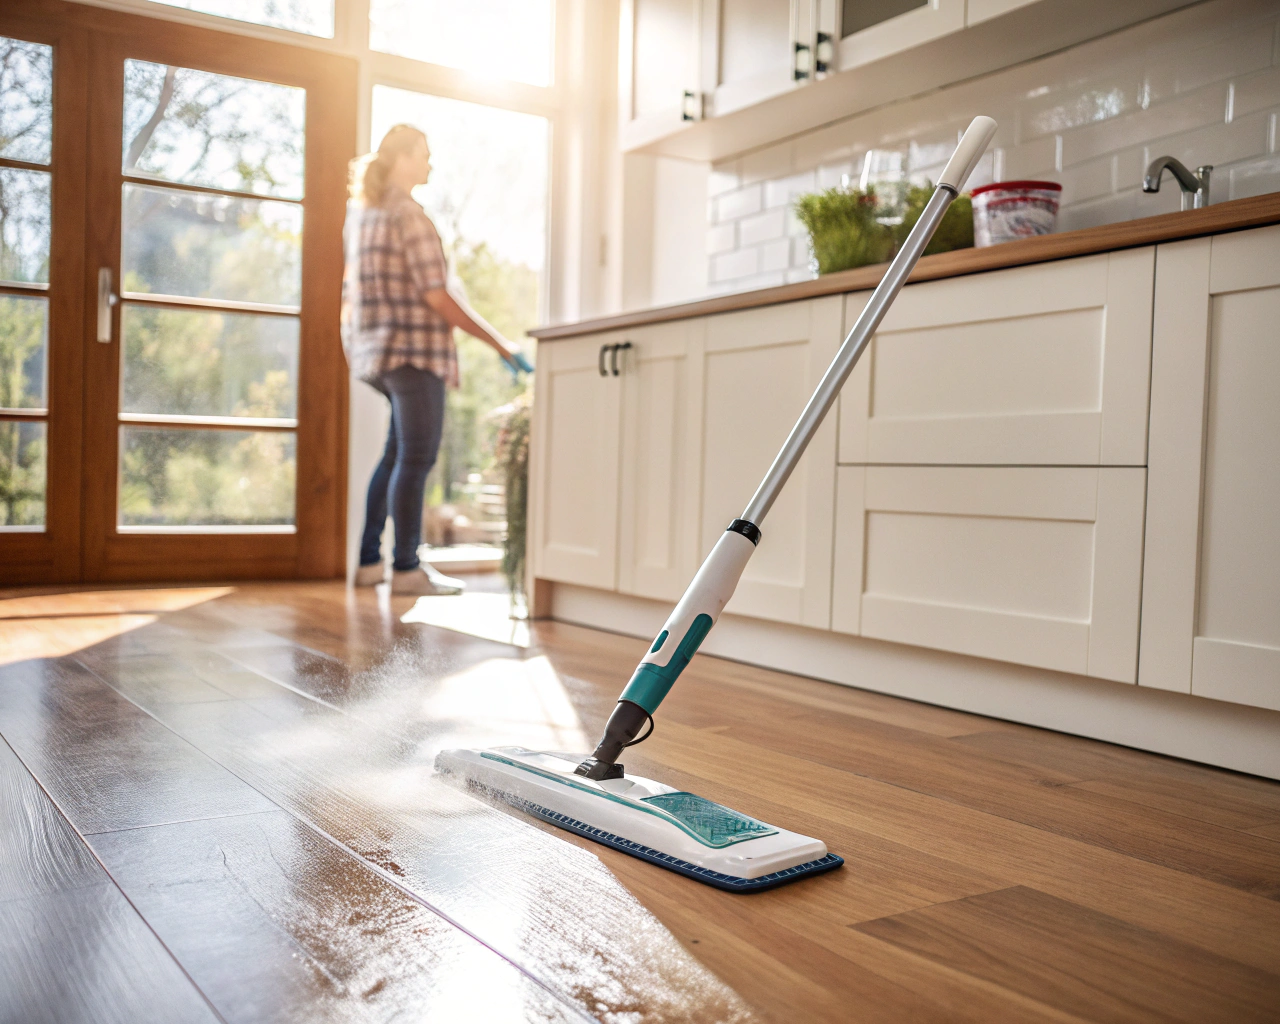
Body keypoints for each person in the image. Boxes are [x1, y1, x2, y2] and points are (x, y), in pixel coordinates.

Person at [342, 124, 529, 595]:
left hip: (377, 353)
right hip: (414, 352)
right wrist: (501, 344)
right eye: (424, 154)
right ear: (402, 157)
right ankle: (406, 568)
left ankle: (369, 562)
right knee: (417, 459)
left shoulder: (366, 214)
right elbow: (437, 296)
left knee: (394, 456)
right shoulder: (407, 214)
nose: (430, 164)